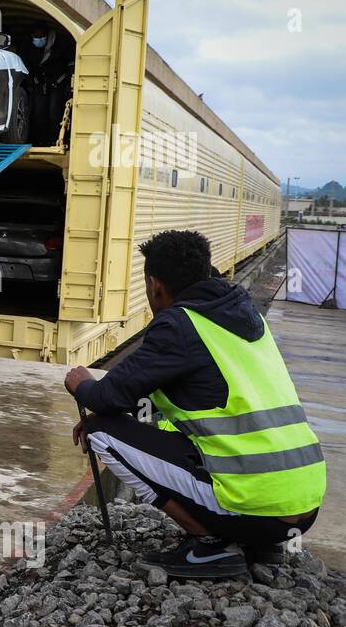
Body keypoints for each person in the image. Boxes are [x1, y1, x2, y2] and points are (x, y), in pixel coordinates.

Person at [66, 230, 325, 580]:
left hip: (255, 510)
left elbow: (106, 396)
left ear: (155, 285)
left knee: (101, 431)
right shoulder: (245, 316)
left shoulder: (179, 325)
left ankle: (212, 544)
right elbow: (202, 397)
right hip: (303, 507)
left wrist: (80, 384)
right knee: (146, 431)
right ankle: (259, 546)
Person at [23, 21, 74, 145]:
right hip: (40, 84)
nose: (38, 39)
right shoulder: (29, 48)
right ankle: (39, 141)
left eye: (41, 37)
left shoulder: (61, 44)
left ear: (46, 35)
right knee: (38, 114)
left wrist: (68, 83)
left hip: (58, 83)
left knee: (54, 114)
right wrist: (33, 79)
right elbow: (26, 66)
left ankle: (54, 140)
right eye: (35, 37)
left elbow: (71, 64)